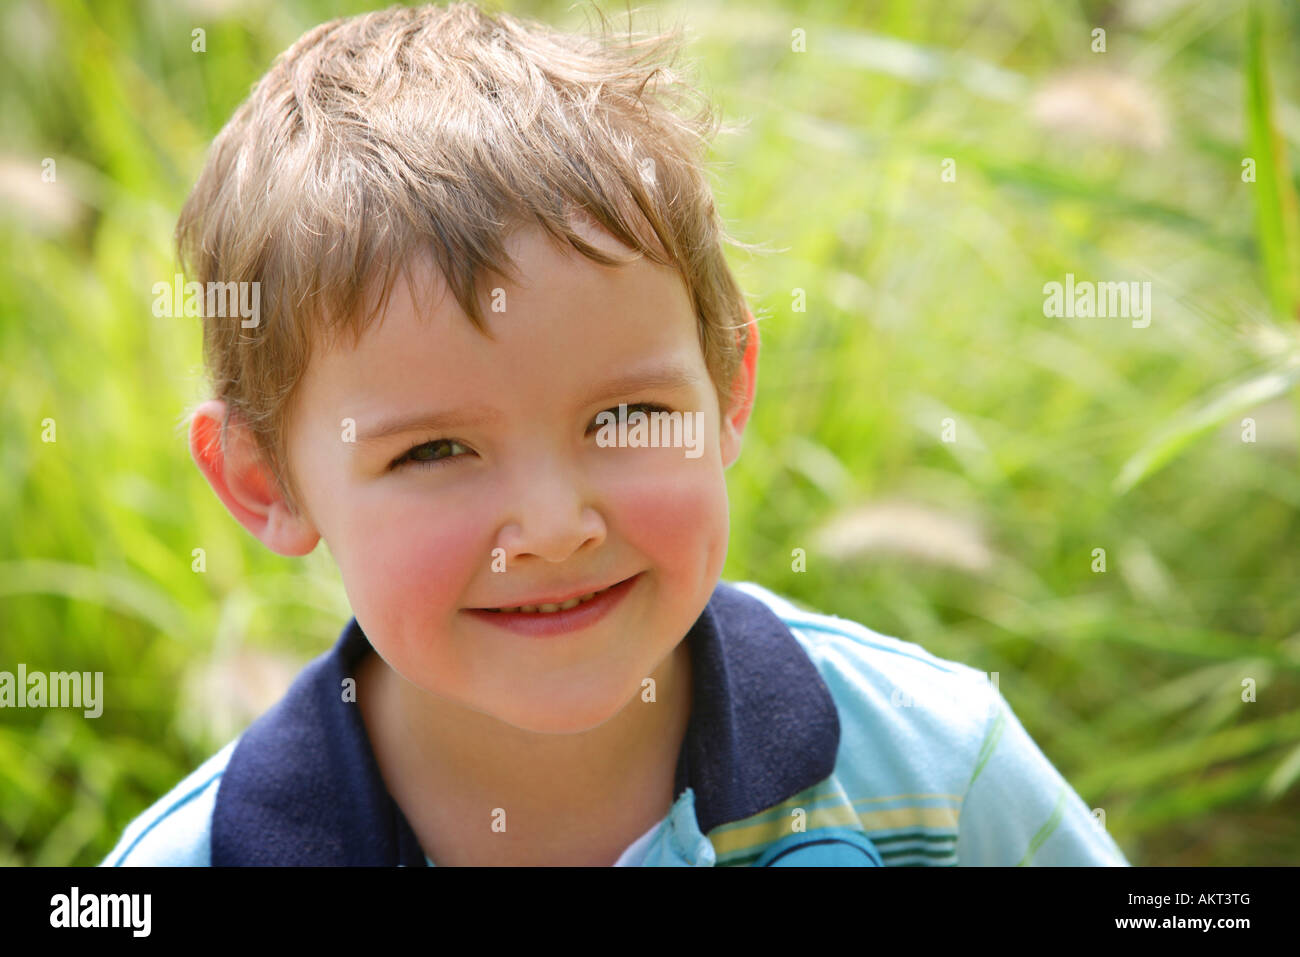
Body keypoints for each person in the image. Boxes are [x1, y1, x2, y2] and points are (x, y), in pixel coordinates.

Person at [102, 2, 1128, 867]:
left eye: (625, 417)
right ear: (263, 481)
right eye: (433, 451)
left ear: (727, 389)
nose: (552, 527)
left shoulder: (934, 767)